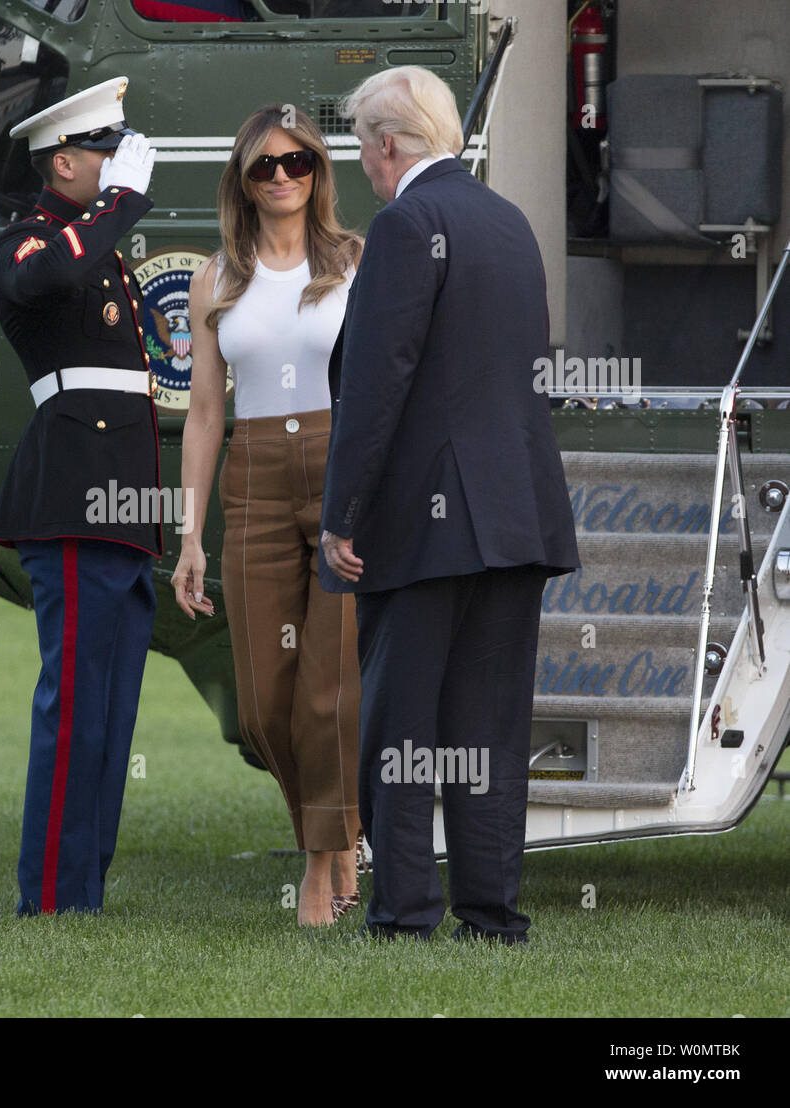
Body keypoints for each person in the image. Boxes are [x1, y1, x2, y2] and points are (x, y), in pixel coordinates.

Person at [319, 66, 580, 943]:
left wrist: (342, 514)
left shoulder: (405, 225)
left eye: (361, 145)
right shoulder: (509, 222)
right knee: (491, 731)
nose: (361, 163)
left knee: (403, 729)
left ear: (390, 143)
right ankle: (493, 910)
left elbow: (376, 384)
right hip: (517, 518)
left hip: (425, 522)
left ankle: (401, 913)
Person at [173, 105, 364, 927]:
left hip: (339, 474)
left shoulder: (357, 263)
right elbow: (205, 412)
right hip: (250, 480)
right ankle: (341, 830)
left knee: (326, 690)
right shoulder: (215, 279)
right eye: (266, 166)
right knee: (261, 704)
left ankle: (321, 869)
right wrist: (188, 533)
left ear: (319, 172)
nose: (283, 177)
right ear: (243, 182)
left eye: (299, 163)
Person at [0, 78, 160, 916]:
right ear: (65, 161)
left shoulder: (101, 247)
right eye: (105, 150)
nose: (118, 161)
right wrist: (122, 201)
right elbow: (40, 281)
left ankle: (84, 887)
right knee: (75, 705)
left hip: (124, 506)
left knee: (113, 711)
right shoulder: (31, 240)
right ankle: (52, 897)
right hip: (71, 496)